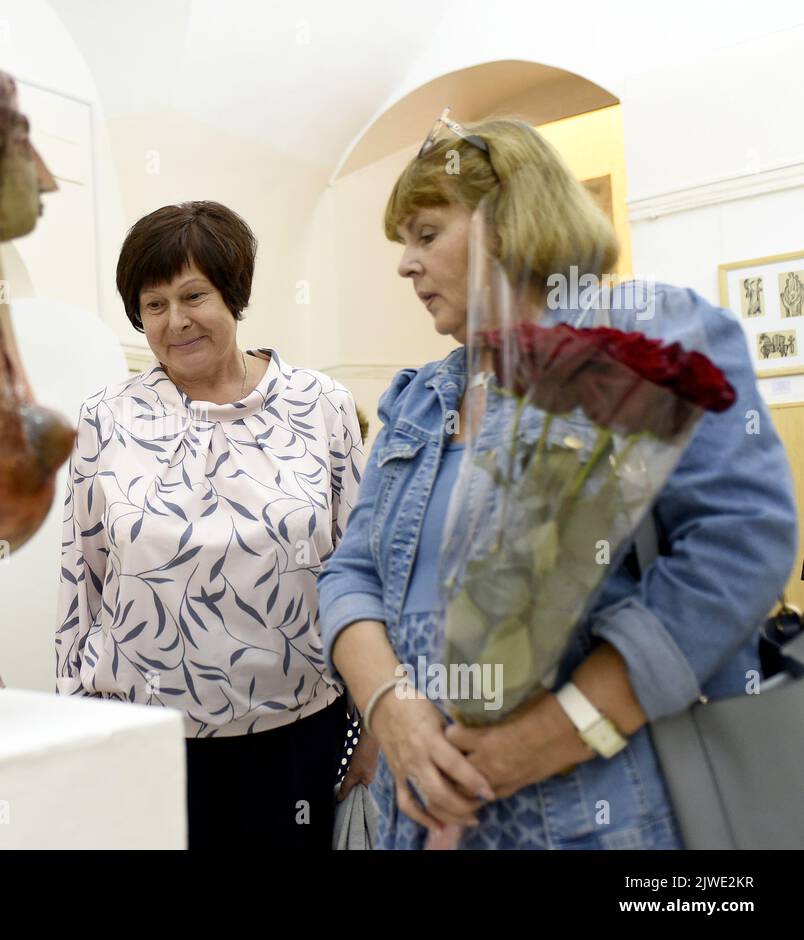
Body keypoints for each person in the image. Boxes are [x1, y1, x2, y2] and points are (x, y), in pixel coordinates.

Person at [318, 112, 797, 849]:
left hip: (601, 813)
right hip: (417, 817)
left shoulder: (650, 340)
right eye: (401, 243)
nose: (404, 265)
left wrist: (560, 730)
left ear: (506, 225)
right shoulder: (417, 399)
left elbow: (742, 545)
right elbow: (349, 572)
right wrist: (392, 711)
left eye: (426, 234)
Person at [56, 201, 367, 849]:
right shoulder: (106, 418)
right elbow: (80, 584)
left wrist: (376, 729)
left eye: (193, 295)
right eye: (154, 305)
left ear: (234, 292)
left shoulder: (321, 405)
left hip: (298, 736)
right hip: (145, 740)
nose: (176, 320)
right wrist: (73, 730)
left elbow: (363, 572)